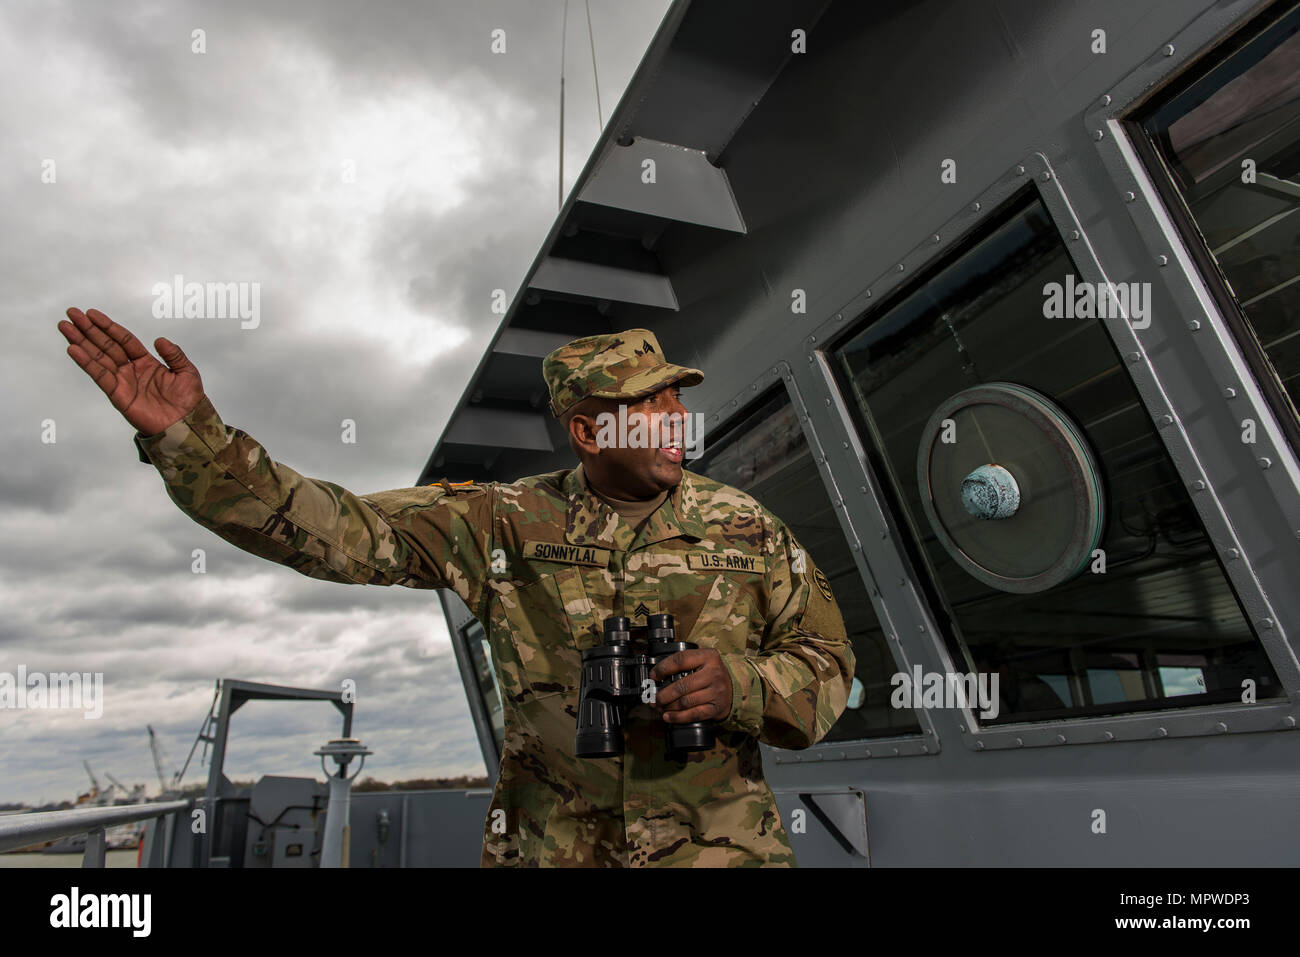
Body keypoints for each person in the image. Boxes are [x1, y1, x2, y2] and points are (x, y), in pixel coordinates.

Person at [57, 306, 855, 867]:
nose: (677, 419)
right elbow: (331, 531)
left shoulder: (746, 529)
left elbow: (828, 665)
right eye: (648, 405)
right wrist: (189, 438)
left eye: (677, 399)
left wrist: (739, 685)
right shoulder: (502, 521)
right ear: (587, 430)